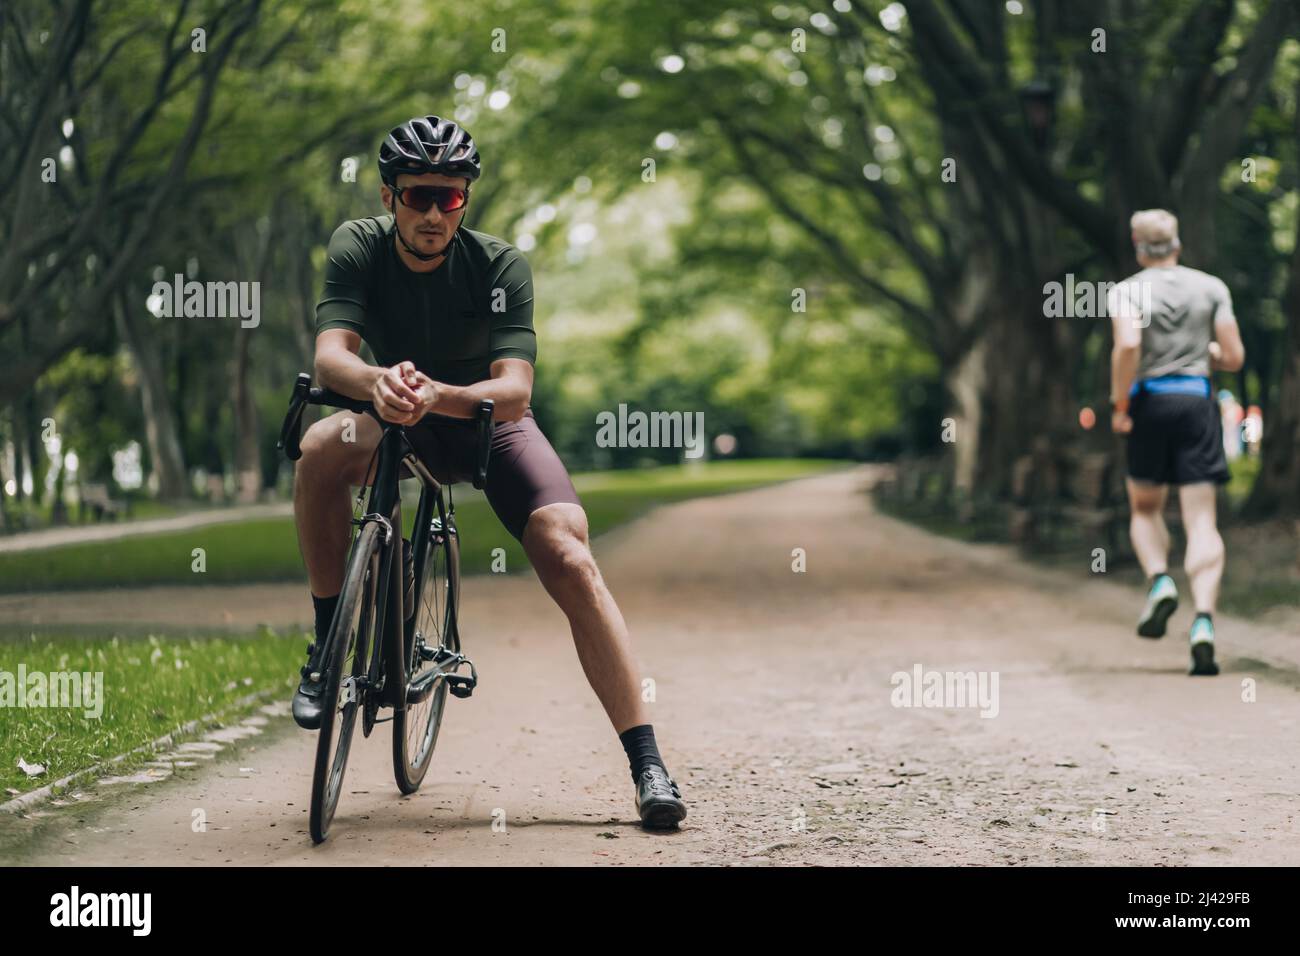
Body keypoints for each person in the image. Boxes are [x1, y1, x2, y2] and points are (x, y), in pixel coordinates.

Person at [289, 114, 686, 829]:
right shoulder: (356, 247)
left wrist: (440, 395)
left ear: (466, 199)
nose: (436, 212)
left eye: (451, 197)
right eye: (419, 197)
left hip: (482, 421)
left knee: (568, 552)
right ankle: (328, 646)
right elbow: (330, 356)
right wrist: (378, 382)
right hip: (389, 412)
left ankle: (647, 762)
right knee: (321, 446)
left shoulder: (500, 265)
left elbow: (516, 390)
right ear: (389, 199)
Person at [1108, 209, 1245, 676]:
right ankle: (1203, 621)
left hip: (1150, 404)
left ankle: (1160, 581)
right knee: (1202, 519)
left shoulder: (1127, 291)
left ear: (1137, 246)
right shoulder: (1211, 288)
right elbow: (1233, 356)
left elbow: (1127, 346)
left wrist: (1120, 405)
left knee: (1145, 508)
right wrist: (1202, 350)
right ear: (1178, 244)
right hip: (1197, 403)